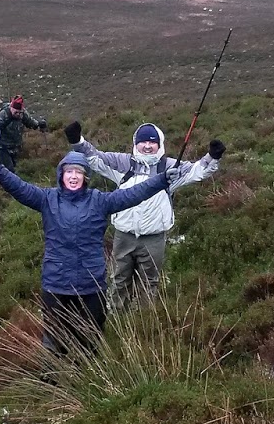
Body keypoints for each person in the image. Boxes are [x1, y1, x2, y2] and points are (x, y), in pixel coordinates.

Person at [0, 149, 182, 356]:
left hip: (91, 285)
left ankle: (88, 380)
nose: (73, 176)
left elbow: (133, 194)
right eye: (69, 172)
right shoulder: (47, 199)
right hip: (56, 284)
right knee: (55, 340)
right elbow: (19, 188)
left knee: (91, 340)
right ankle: (53, 380)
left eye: (79, 172)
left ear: (85, 177)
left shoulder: (100, 201)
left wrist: (162, 180)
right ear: (61, 175)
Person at [65, 120, 226, 310]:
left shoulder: (170, 167)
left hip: (154, 238)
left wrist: (212, 157)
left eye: (152, 142)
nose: (148, 146)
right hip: (124, 235)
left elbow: (196, 170)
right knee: (119, 279)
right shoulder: (122, 163)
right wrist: (78, 141)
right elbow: (95, 158)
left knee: (149, 282)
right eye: (143, 142)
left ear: (160, 144)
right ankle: (118, 316)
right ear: (135, 143)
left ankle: (144, 321)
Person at [0, 95, 49, 171]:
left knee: (13, 168)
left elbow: (30, 122)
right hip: (3, 148)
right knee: (9, 170)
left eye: (19, 112)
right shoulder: (3, 114)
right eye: (16, 112)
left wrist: (39, 124)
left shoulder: (22, 113)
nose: (18, 114)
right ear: (11, 108)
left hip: (15, 147)